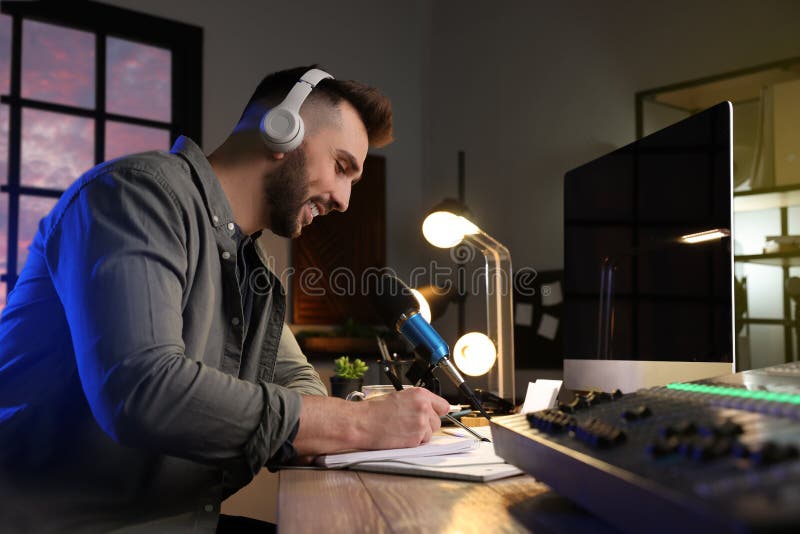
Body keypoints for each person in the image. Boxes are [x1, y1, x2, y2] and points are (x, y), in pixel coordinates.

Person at [0, 65, 450, 533]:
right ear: (283, 127)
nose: (344, 200)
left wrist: (342, 421)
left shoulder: (250, 268)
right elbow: (142, 390)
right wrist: (357, 424)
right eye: (341, 167)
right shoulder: (136, 196)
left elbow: (297, 379)